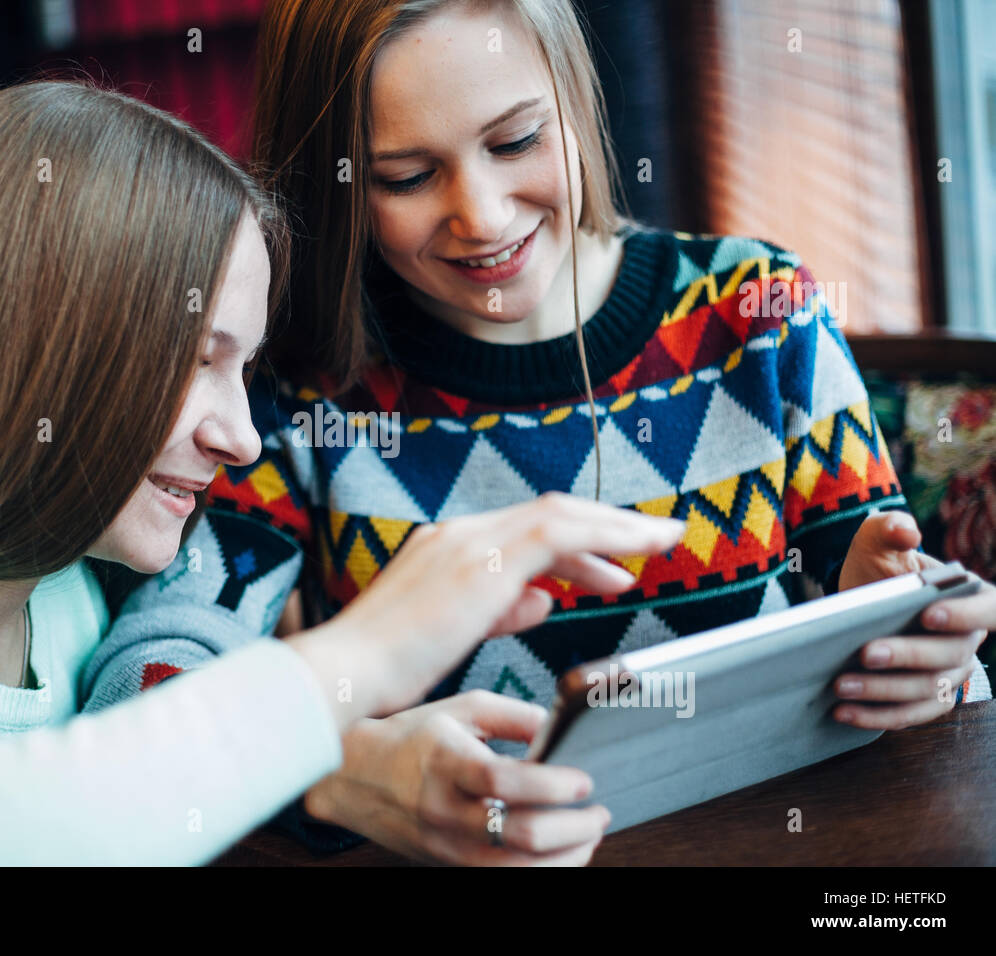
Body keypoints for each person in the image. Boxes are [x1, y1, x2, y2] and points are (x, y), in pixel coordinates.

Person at [81, 0, 994, 864]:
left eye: (516, 140)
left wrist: (931, 650)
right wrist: (333, 769)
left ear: (575, 97)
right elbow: (137, 687)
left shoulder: (757, 313)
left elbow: (924, 665)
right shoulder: (290, 397)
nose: (481, 217)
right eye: (405, 176)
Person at [0, 79, 687, 865]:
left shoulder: (78, 593)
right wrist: (361, 659)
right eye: (198, 359)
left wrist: (348, 762)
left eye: (244, 370)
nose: (243, 437)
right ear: (29, 349)